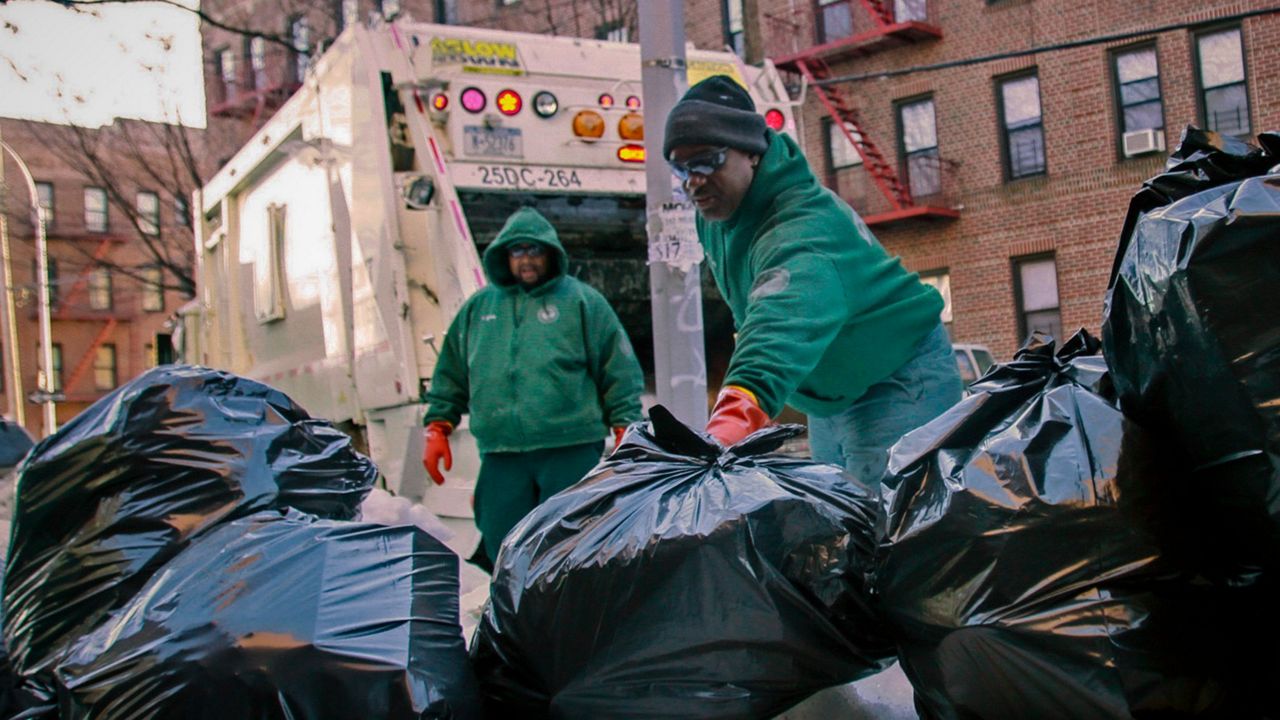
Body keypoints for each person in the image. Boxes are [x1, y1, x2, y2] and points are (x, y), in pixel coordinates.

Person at [664, 75, 963, 487]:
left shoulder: (804, 229)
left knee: (890, 529)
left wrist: (724, 431)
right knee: (838, 520)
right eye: (680, 166)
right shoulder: (716, 215)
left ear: (751, 153)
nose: (693, 180)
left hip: (900, 373)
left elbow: (778, 322)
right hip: (831, 392)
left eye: (706, 161)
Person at [422, 207, 644, 563]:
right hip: (501, 453)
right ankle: (515, 614)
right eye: (517, 251)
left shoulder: (582, 301)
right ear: (505, 256)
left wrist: (626, 427)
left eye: (534, 250)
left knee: (571, 542)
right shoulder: (479, 308)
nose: (526, 259)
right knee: (502, 540)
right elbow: (450, 372)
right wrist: (437, 426)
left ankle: (570, 616)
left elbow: (617, 369)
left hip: (569, 448)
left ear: (550, 253)